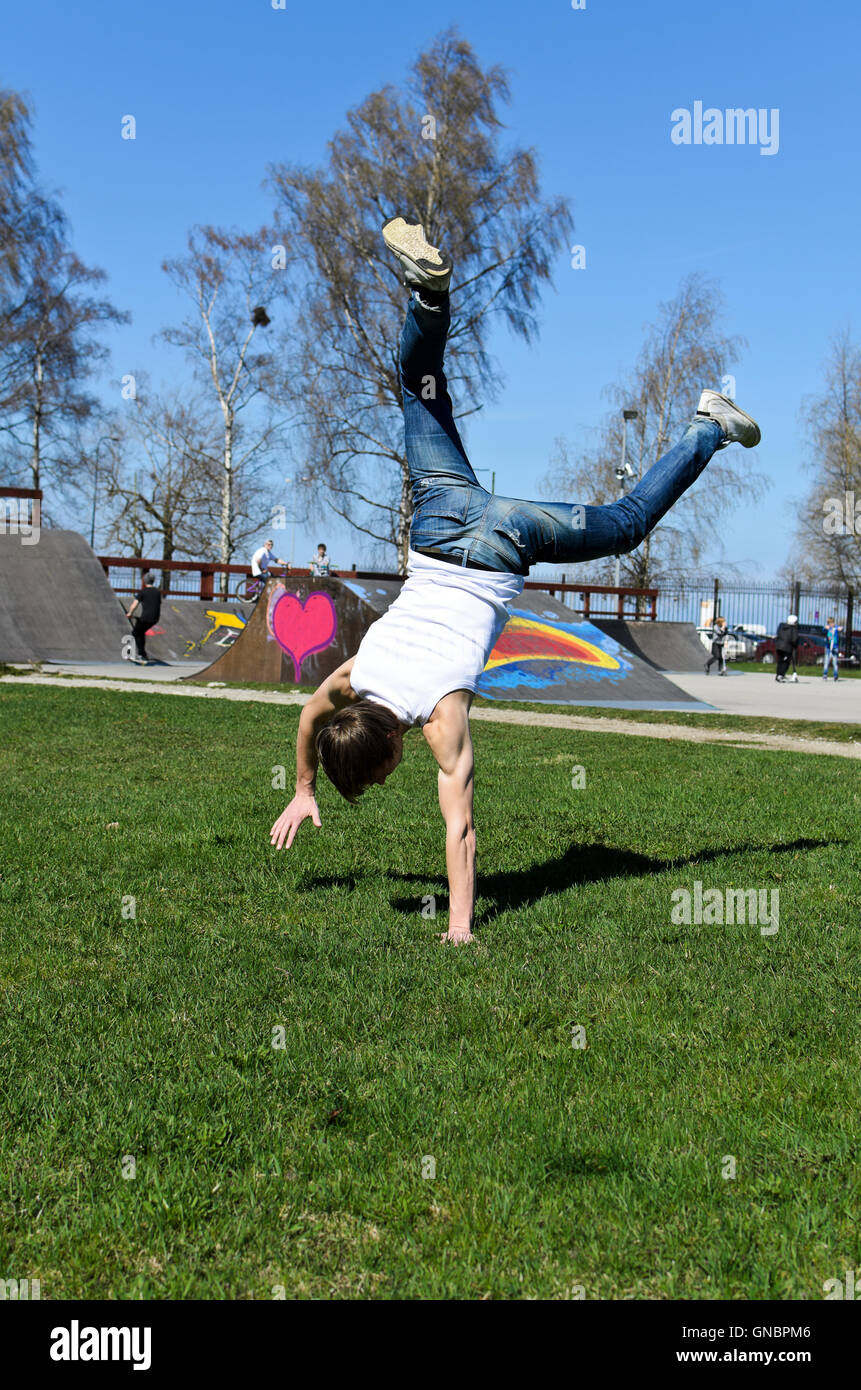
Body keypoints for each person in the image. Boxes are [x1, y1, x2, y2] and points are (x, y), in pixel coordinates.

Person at [269, 217, 762, 942]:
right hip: (445, 518)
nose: (383, 781)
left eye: (377, 777)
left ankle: (706, 428)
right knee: (416, 390)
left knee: (624, 524)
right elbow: (310, 718)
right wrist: (304, 784)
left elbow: (460, 832)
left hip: (507, 537)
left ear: (391, 750)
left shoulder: (441, 722)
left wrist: (459, 928)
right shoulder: (350, 678)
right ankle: (429, 302)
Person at [125, 571, 161, 665]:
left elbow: (134, 605)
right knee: (141, 632)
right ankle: (143, 654)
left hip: (145, 618)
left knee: (135, 633)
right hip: (155, 618)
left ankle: (140, 655)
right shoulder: (157, 592)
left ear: (144, 581)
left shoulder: (143, 592)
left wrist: (129, 613)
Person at [774, 614, 799, 682]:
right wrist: (795, 645)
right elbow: (794, 639)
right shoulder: (793, 629)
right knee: (786, 662)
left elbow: (778, 634)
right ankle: (781, 675)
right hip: (787, 648)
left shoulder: (782, 626)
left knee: (780, 661)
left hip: (779, 646)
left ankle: (778, 674)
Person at [823, 616, 840, 682]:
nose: (831, 624)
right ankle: (825, 674)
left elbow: (840, 628)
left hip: (835, 647)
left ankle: (835, 675)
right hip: (828, 647)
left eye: (832, 622)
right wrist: (826, 627)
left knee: (835, 662)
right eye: (829, 623)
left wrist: (840, 628)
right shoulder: (827, 628)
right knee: (826, 662)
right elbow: (823, 629)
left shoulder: (835, 628)